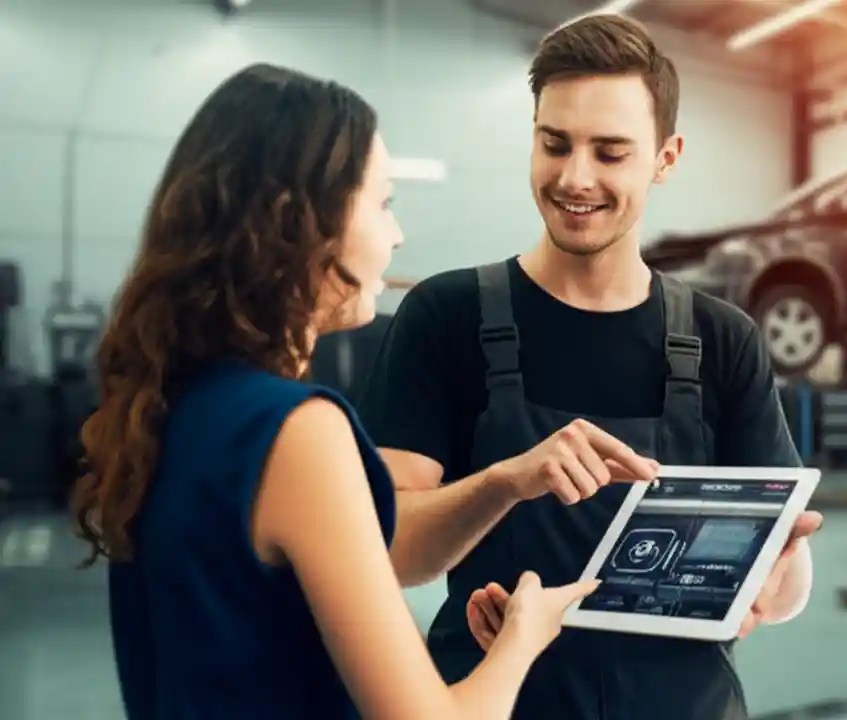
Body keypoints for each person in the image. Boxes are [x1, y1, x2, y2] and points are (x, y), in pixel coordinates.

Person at [68, 62, 603, 720]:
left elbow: (380, 556)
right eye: (383, 203)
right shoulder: (295, 431)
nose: (397, 235)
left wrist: (503, 482)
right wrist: (525, 634)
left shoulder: (174, 407)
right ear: (302, 222)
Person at [358, 14, 823, 720]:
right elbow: (391, 552)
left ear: (666, 157)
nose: (575, 178)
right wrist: (505, 483)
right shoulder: (444, 316)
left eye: (610, 152)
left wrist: (780, 566)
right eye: (555, 144)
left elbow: (785, 595)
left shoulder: (724, 340)